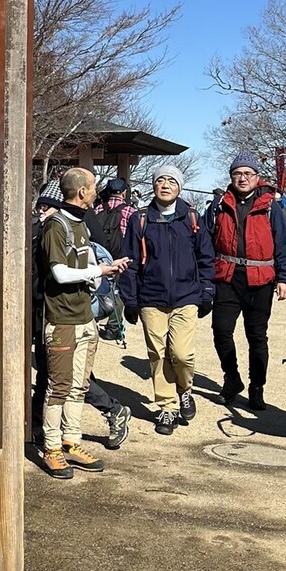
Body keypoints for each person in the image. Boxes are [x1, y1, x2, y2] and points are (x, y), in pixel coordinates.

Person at [35, 168, 129, 480]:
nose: (96, 192)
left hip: (85, 317)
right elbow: (59, 273)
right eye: (93, 187)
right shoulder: (56, 225)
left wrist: (106, 268)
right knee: (58, 387)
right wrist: (99, 272)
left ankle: (71, 442)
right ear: (82, 192)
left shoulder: (81, 224)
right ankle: (51, 448)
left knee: (79, 386)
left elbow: (86, 265)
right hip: (62, 320)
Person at [120, 167, 215, 436]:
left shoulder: (192, 218)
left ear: (179, 187)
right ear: (153, 186)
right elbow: (129, 262)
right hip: (151, 297)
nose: (165, 185)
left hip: (186, 296)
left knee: (181, 354)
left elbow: (206, 258)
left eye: (171, 181)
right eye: (160, 180)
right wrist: (130, 300)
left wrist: (207, 291)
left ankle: (185, 389)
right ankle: (168, 406)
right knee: (158, 354)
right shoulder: (140, 219)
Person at [207, 151, 286, 410]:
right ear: (231, 177)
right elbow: (206, 243)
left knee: (256, 336)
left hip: (260, 280)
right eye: (237, 173)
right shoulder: (219, 205)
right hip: (227, 276)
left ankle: (257, 386)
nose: (242, 178)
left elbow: (283, 244)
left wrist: (285, 278)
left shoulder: (270, 207)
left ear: (257, 177)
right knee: (221, 330)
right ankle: (232, 378)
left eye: (247, 173)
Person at [90, 176, 135, 259]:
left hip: (100, 254)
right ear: (124, 193)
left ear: (108, 192)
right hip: (121, 256)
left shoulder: (98, 208)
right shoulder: (130, 211)